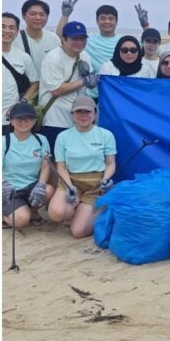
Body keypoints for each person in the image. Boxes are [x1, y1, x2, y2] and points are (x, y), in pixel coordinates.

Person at [48, 96, 116, 239]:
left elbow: (110, 163)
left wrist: (106, 179)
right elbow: (61, 166)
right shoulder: (63, 137)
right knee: (56, 213)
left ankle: (93, 208)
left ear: (95, 113)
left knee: (79, 232)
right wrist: (69, 186)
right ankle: (78, 208)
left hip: (95, 185)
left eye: (87, 112)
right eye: (79, 112)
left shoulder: (106, 135)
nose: (83, 115)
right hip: (71, 182)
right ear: (72, 114)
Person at [38, 20, 95, 151]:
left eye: (83, 38)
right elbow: (56, 90)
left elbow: (89, 82)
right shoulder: (53, 58)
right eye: (75, 38)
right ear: (63, 39)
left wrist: (91, 83)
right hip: (55, 119)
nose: (79, 42)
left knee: (74, 158)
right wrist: (84, 82)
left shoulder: (84, 56)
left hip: (78, 119)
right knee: (54, 159)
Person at [1, 102, 51, 229]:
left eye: (28, 118)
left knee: (48, 190)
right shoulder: (3, 141)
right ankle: (1, 214)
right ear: (11, 121)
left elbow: (45, 165)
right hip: (9, 189)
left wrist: (41, 185)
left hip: (30, 186)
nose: (23, 121)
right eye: (18, 118)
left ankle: (33, 211)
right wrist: (2, 183)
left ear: (34, 121)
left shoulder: (41, 140)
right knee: (22, 221)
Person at [55, 0, 121, 65]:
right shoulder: (87, 40)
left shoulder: (123, 41)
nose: (107, 22)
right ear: (97, 21)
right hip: (92, 75)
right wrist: (65, 15)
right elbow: (61, 39)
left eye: (111, 19)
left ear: (116, 22)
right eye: (103, 18)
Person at [1, 12, 38, 129]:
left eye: (12, 28)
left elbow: (35, 83)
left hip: (11, 119)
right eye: (2, 26)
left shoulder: (23, 57)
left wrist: (22, 102)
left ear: (17, 32)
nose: (7, 31)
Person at [11, 0, 60, 77]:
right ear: (23, 16)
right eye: (33, 14)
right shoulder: (14, 39)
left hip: (49, 87)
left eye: (42, 14)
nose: (38, 18)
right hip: (26, 88)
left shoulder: (53, 38)